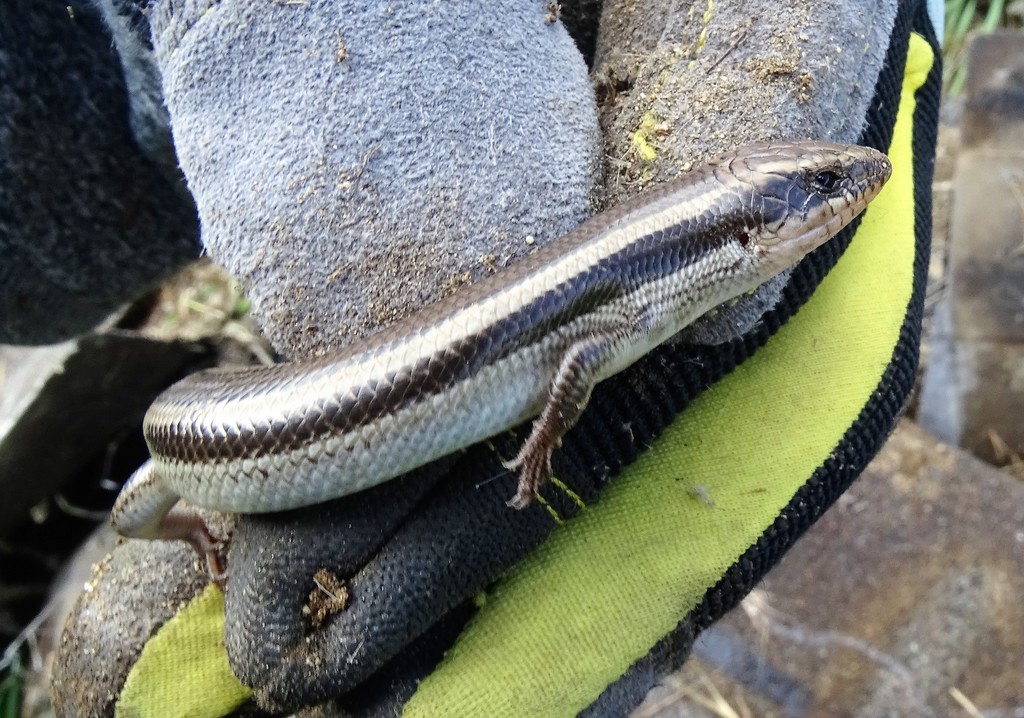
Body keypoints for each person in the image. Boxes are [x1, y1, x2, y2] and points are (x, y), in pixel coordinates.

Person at [1, 0, 940, 714]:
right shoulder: (658, 282)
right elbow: (576, 363)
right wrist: (543, 447)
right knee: (117, 462)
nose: (850, 184)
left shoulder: (678, 269)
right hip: (197, 433)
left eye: (826, 182)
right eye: (820, 186)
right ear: (749, 229)